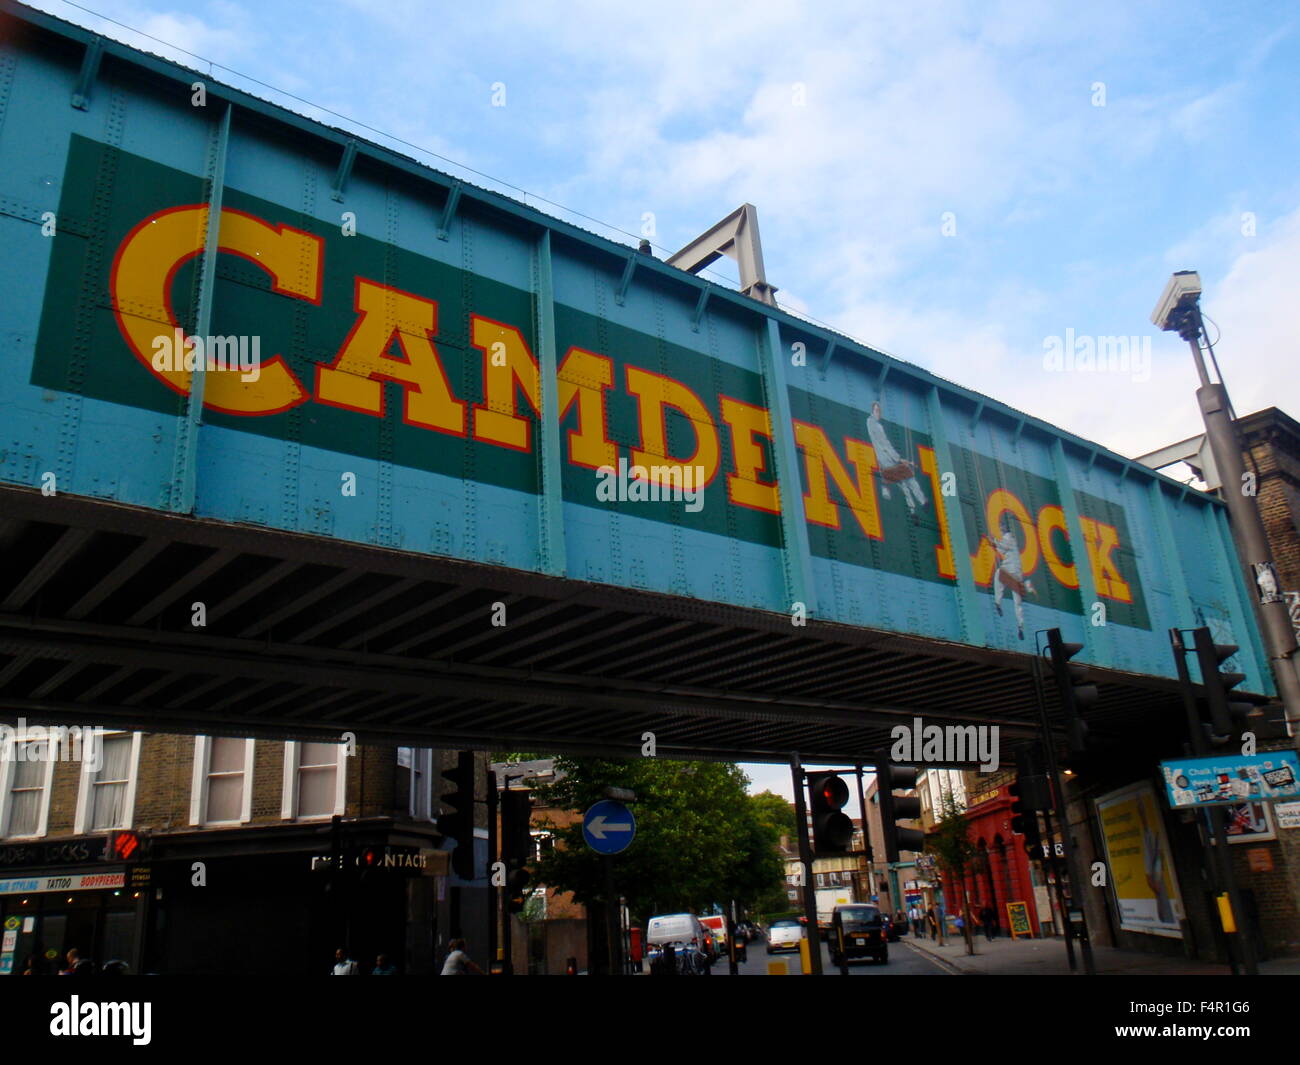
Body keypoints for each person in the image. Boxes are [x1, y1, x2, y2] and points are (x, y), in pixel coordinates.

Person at [867, 401, 926, 516]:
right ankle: (920, 503)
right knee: (909, 481)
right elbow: (885, 444)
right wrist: (899, 459)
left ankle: (914, 508)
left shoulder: (876, 425)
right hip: (888, 460)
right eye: (876, 410)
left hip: (887, 461)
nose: (878, 413)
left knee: (905, 484)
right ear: (872, 411)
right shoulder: (873, 424)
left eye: (879, 411)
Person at [991, 519, 1036, 640]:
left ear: (1006, 529)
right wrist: (994, 544)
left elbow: (1003, 546)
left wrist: (994, 541)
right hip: (1017, 574)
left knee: (998, 577)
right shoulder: (1009, 540)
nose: (1001, 530)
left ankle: (998, 602)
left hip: (1010, 570)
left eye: (1002, 527)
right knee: (1018, 602)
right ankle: (1020, 626)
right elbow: (1001, 549)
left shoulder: (1009, 538)